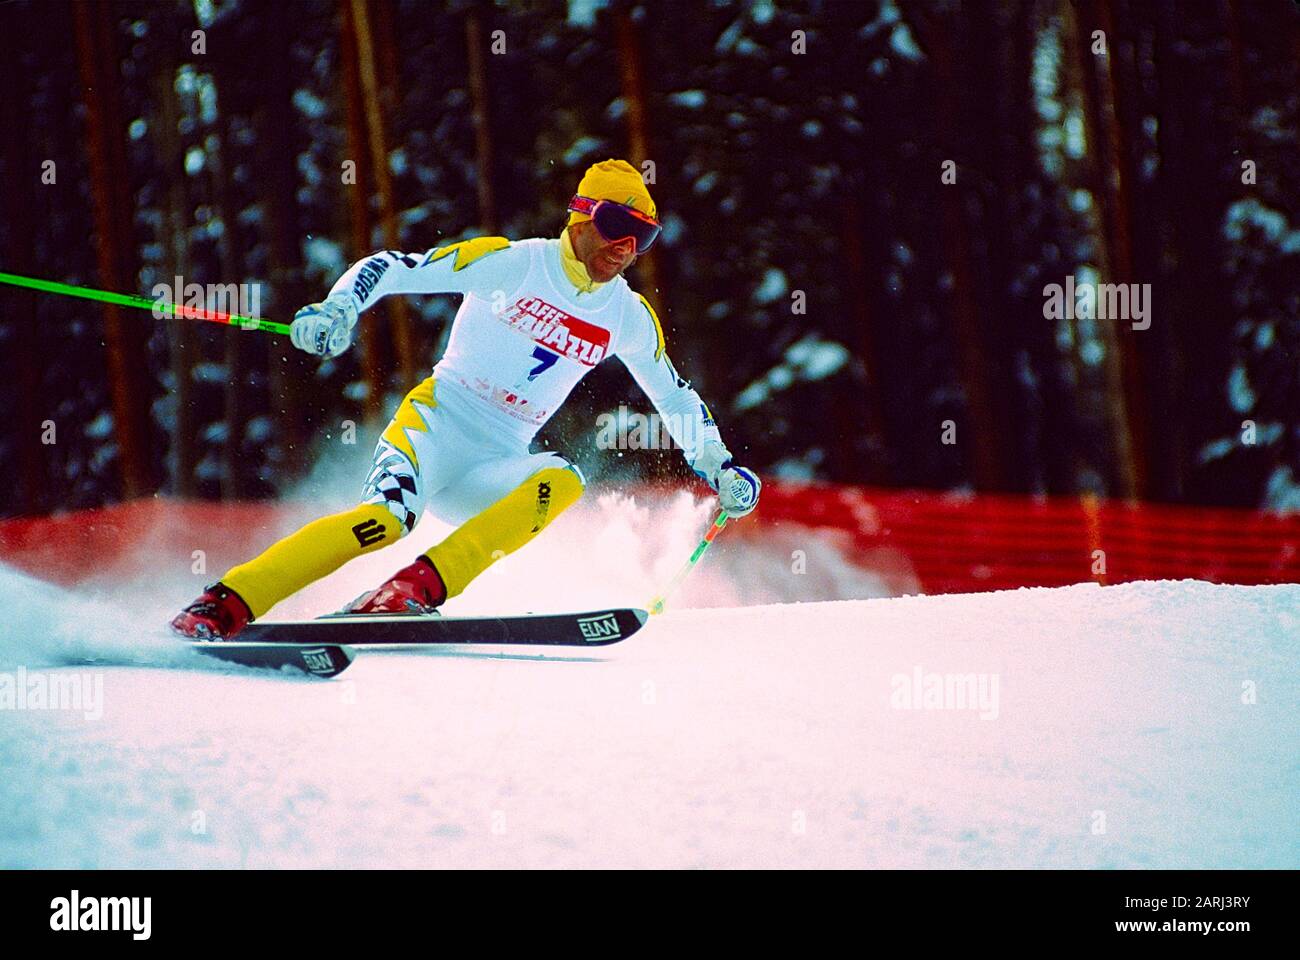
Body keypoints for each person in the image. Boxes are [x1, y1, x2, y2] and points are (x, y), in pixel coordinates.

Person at [170, 159, 760, 639]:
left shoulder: (626, 314)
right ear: (580, 216)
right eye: (614, 225)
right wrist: (337, 309)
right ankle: (223, 604)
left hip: (496, 459)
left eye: (644, 236)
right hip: (434, 428)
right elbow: (395, 267)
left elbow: (675, 397)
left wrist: (721, 467)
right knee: (384, 522)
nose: (626, 247)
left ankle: (410, 591)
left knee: (562, 479)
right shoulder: (513, 263)